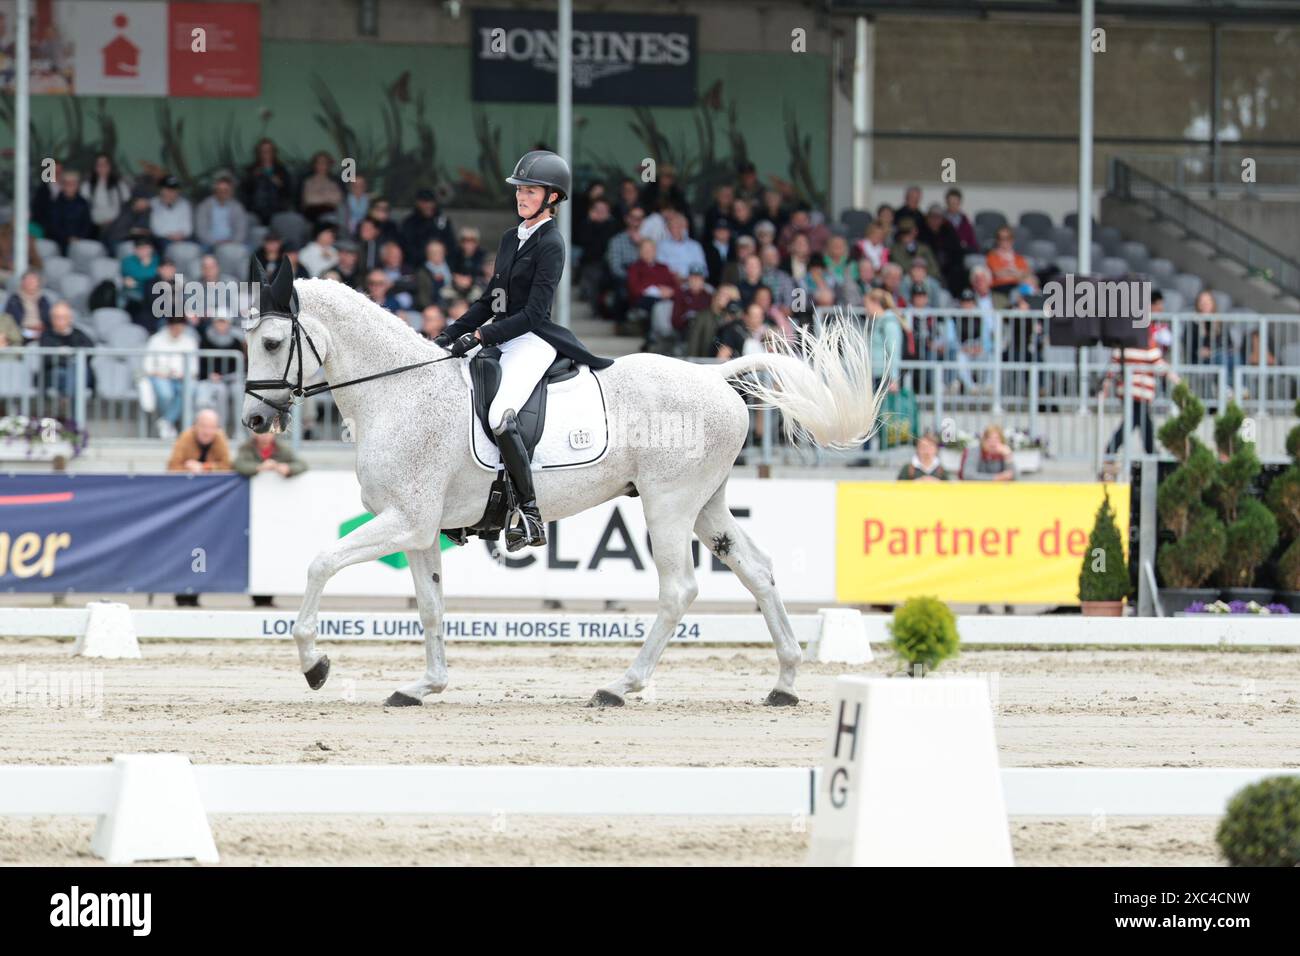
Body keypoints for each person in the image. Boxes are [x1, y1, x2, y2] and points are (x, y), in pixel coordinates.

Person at [434, 150, 613, 551]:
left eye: (530, 190)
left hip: (532, 340)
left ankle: (528, 512)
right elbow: (489, 300)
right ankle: (467, 508)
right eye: (519, 190)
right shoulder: (509, 238)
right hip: (501, 334)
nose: (521, 196)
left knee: (500, 414)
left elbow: (533, 314)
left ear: (552, 197)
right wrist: (449, 335)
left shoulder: (551, 243)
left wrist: (481, 338)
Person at [1100, 292, 1179, 474]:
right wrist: (1174, 377)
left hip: (1128, 389)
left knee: (1140, 422)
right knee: (1137, 421)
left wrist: (1107, 383)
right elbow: (1156, 361)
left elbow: (1114, 362)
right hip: (1139, 389)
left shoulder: (1124, 339)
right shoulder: (1145, 338)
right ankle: (1143, 456)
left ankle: (1149, 454)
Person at [234, 429, 308, 607]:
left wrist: (287, 469)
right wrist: (259, 468)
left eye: (267, 432)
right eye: (261, 432)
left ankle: (266, 596)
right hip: (251, 510)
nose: (264, 436)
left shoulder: (283, 449)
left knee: (273, 547)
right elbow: (238, 465)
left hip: (276, 511)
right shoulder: (246, 448)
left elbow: (302, 465)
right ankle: (258, 594)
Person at [144, 315, 198, 438]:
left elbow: (194, 369)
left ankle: (166, 422)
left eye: (180, 327)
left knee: (190, 390)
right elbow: (147, 366)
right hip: (160, 377)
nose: (177, 330)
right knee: (165, 394)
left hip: (181, 378)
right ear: (169, 326)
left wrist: (183, 374)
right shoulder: (156, 340)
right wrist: (160, 373)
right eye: (175, 327)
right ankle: (169, 424)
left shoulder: (189, 341)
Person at [194, 171, 250, 250]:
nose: (223, 193)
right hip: (210, 245)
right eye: (220, 190)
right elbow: (201, 231)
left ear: (231, 191)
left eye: (226, 190)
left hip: (233, 244)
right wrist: (216, 243)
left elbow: (241, 230)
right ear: (215, 190)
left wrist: (232, 243)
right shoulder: (204, 206)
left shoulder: (237, 207)